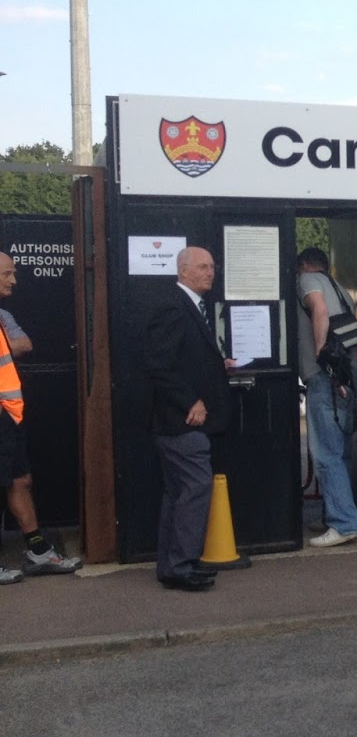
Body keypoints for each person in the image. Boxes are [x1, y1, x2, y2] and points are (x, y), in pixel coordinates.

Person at [144, 246, 234, 591]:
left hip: (180, 422)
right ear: (183, 271)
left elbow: (184, 359)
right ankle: (181, 565)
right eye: (202, 267)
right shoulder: (173, 306)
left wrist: (217, 365)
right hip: (181, 422)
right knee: (196, 488)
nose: (210, 272)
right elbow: (157, 364)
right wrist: (189, 401)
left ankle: (172, 566)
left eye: (212, 266)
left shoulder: (191, 306)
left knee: (178, 492)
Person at [0, 253, 80, 583]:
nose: (14, 280)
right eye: (7, 274)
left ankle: (38, 552)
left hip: (8, 415)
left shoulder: (3, 315)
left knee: (20, 480)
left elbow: (25, 345)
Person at [296, 247, 357, 549]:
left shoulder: (308, 281)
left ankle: (343, 522)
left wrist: (322, 355)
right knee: (341, 451)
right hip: (349, 377)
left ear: (304, 265)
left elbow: (319, 310)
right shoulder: (342, 290)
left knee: (325, 452)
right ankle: (334, 513)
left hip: (327, 378)